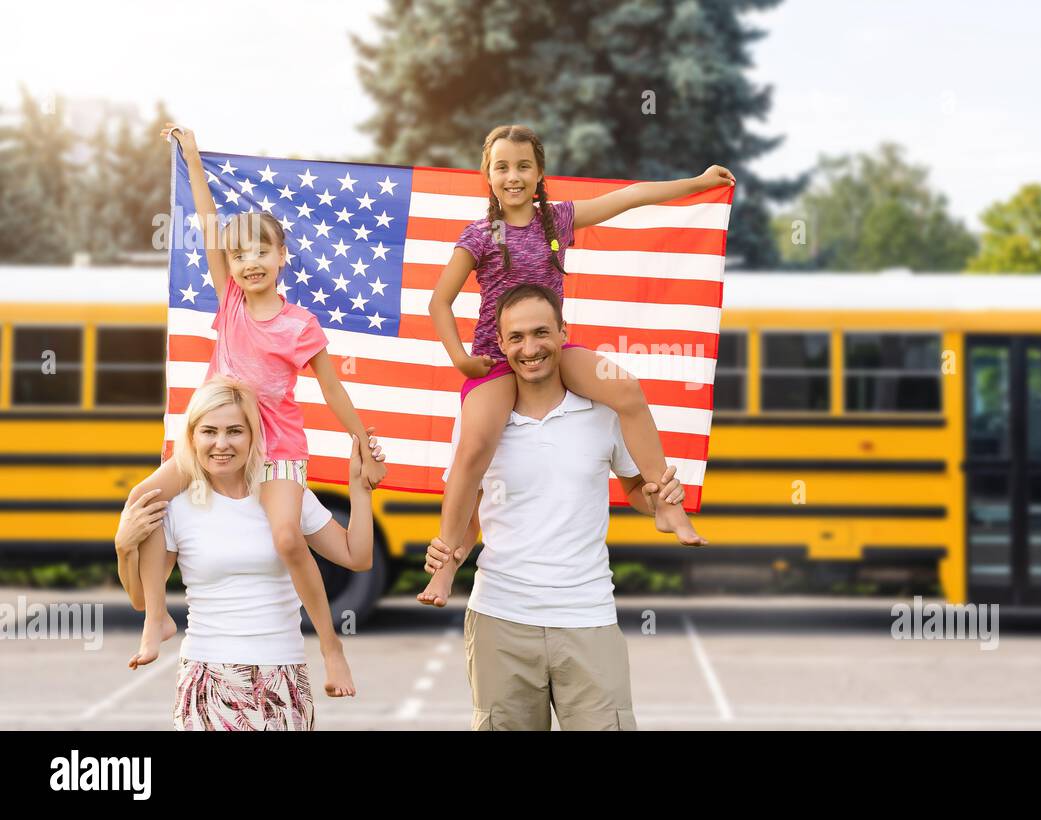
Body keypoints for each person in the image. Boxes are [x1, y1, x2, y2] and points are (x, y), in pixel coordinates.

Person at [417, 123, 731, 607]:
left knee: (625, 390)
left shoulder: (557, 221)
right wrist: (462, 359)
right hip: (500, 359)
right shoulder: (480, 235)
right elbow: (439, 302)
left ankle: (667, 507)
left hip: (552, 351)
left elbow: (631, 197)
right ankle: (444, 568)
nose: (513, 176)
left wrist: (697, 183)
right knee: (475, 451)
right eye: (502, 167)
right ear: (488, 174)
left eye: (524, 166)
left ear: (540, 172)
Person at [123, 124, 386, 696]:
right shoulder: (231, 303)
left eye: (261, 251)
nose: (248, 262)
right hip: (216, 435)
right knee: (144, 498)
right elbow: (208, 223)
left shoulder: (300, 326)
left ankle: (332, 648)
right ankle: (156, 618)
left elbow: (334, 390)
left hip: (278, 445)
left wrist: (360, 437)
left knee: (289, 539)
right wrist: (192, 156)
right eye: (239, 255)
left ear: (283, 256)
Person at [423, 284, 687, 730]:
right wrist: (450, 555)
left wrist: (659, 497)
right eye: (517, 338)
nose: (531, 348)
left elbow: (634, 489)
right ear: (502, 344)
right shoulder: (479, 416)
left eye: (542, 333)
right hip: (500, 619)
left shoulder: (604, 410)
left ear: (564, 333)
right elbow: (468, 513)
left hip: (587, 617)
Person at [115, 376, 385, 729]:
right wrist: (124, 547)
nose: (221, 444)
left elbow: (357, 556)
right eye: (209, 431)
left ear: (253, 435)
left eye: (235, 431)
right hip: (206, 675)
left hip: (282, 675)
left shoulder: (286, 497)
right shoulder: (176, 507)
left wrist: (359, 489)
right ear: (192, 437)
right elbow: (142, 600)